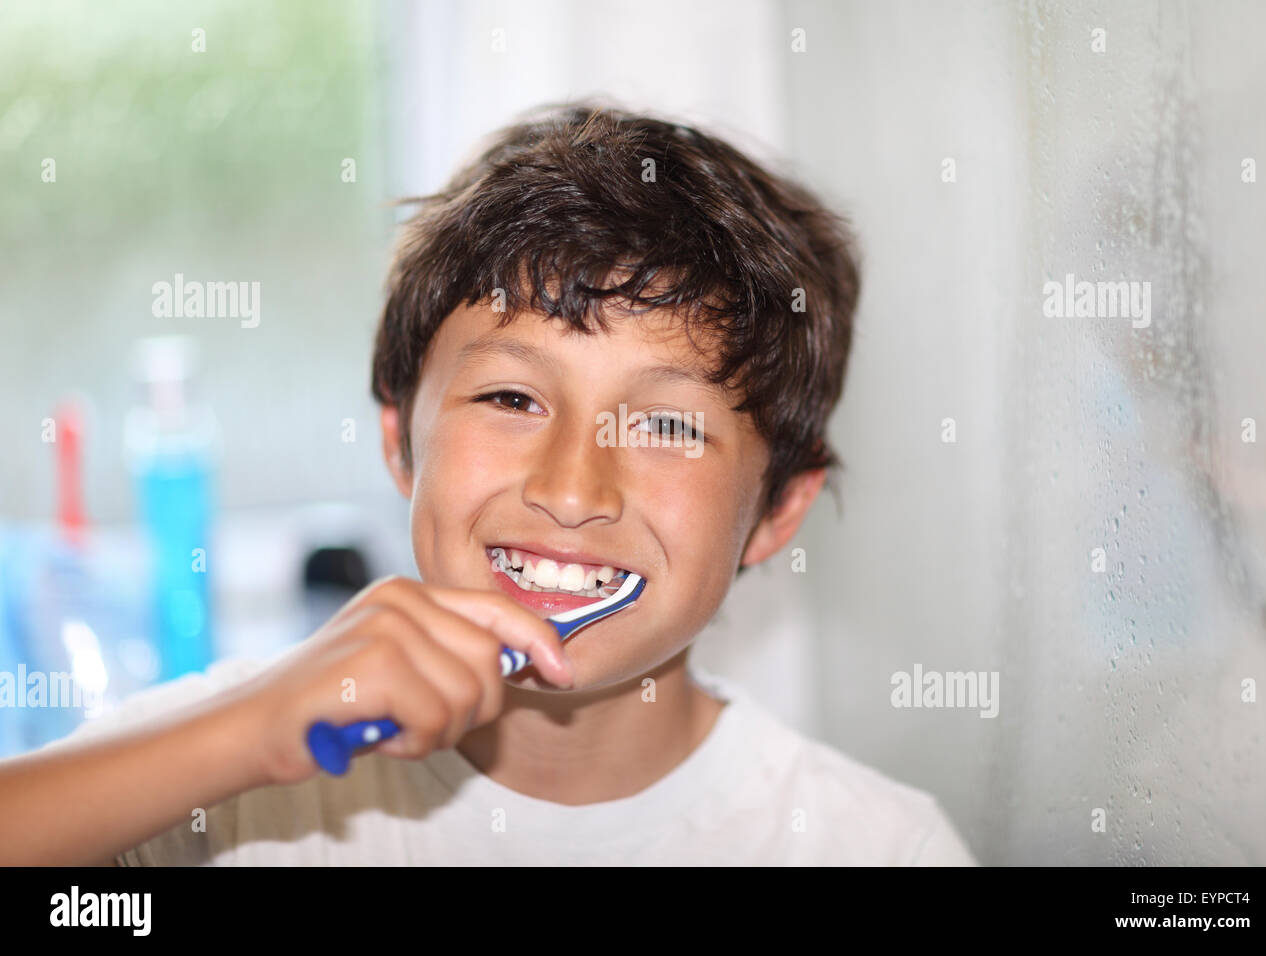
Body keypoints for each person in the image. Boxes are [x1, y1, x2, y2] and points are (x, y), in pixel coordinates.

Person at [0, 102, 976, 866]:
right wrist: (243, 738)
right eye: (512, 397)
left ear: (777, 511)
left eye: (665, 423)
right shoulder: (229, 777)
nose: (570, 487)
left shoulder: (876, 845)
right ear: (399, 442)